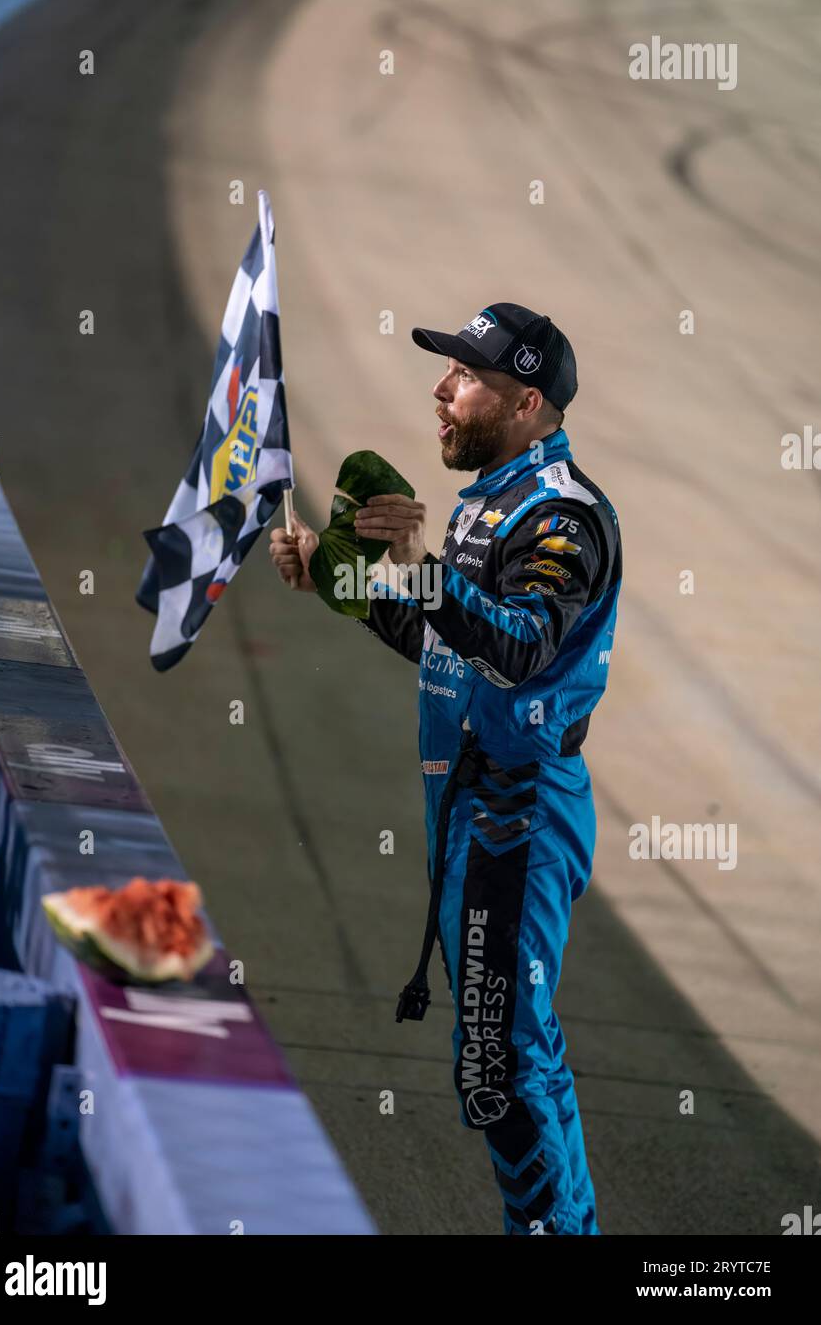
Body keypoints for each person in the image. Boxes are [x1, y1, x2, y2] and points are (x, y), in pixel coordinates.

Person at [269, 303, 622, 1235]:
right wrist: (333, 575)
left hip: (522, 811)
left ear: (527, 401)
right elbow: (447, 647)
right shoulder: (490, 503)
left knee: (501, 1061)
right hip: (477, 803)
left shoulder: (564, 519)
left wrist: (422, 568)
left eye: (464, 376)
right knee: (504, 1052)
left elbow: (518, 648)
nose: (440, 387)